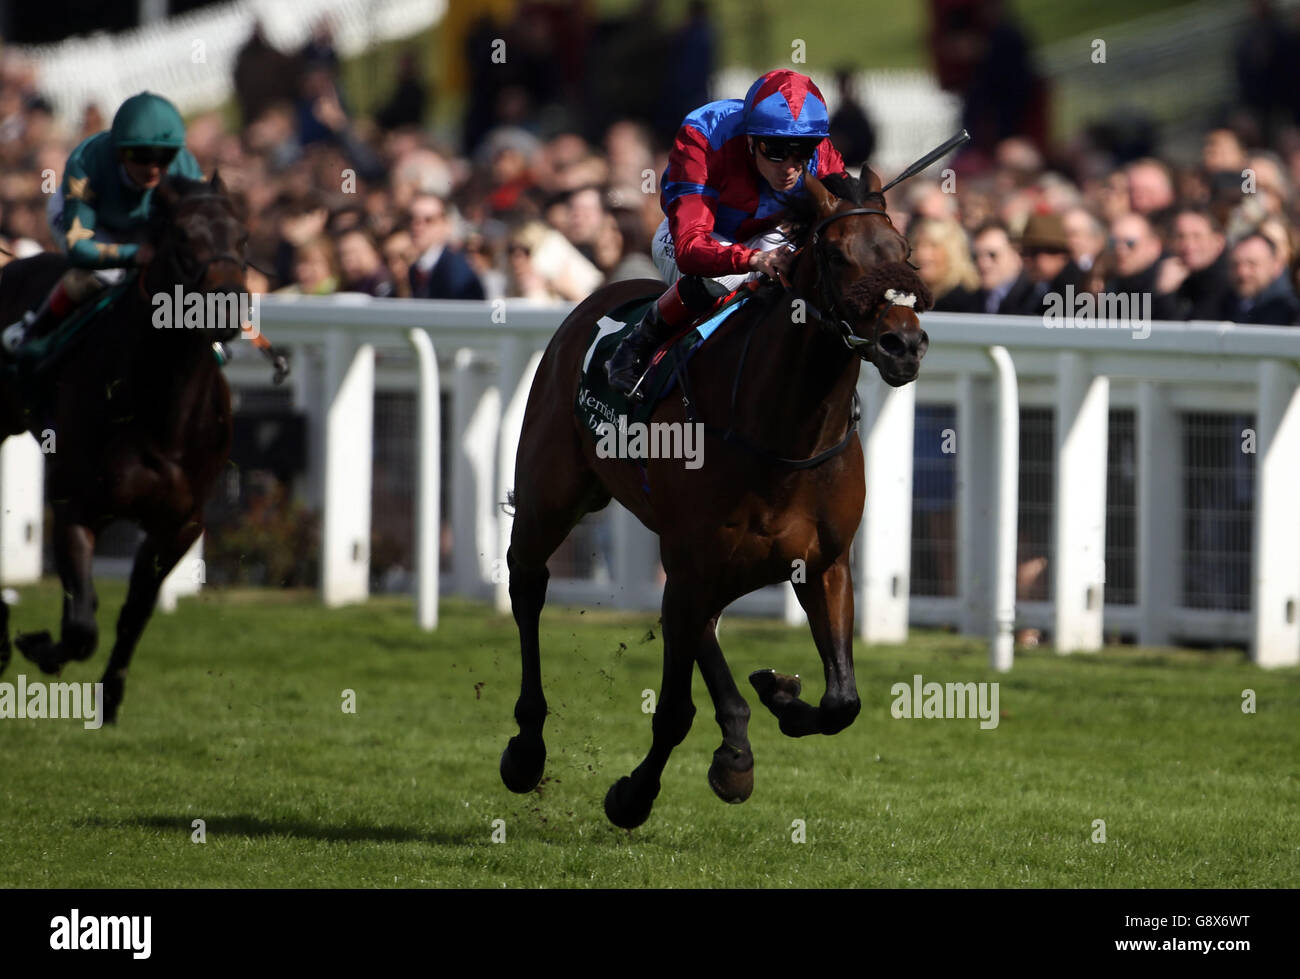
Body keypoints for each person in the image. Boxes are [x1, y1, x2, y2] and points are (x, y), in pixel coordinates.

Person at [604, 69, 851, 397]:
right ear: (750, 139)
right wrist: (754, 258)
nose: (790, 165)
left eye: (801, 150)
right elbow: (691, 247)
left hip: (769, 236)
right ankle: (639, 341)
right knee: (727, 278)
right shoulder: (704, 135)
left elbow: (847, 217)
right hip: (692, 238)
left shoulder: (819, 151)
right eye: (775, 150)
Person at [1, 91, 203, 360]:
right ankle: (34, 327)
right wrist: (133, 254)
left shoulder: (186, 168)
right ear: (120, 152)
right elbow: (80, 248)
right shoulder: (87, 162)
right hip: (86, 217)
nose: (154, 169)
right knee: (103, 274)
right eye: (140, 155)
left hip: (137, 223)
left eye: (164, 156)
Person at [407, 192, 485, 300]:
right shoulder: (415, 269)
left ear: (446, 224)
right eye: (412, 219)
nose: (417, 226)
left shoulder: (455, 270)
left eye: (428, 220)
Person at [1218, 230, 1300, 325]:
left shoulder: (1291, 310)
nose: (1242, 272)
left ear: (1276, 265)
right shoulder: (1222, 302)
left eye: (1252, 264)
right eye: (1235, 265)